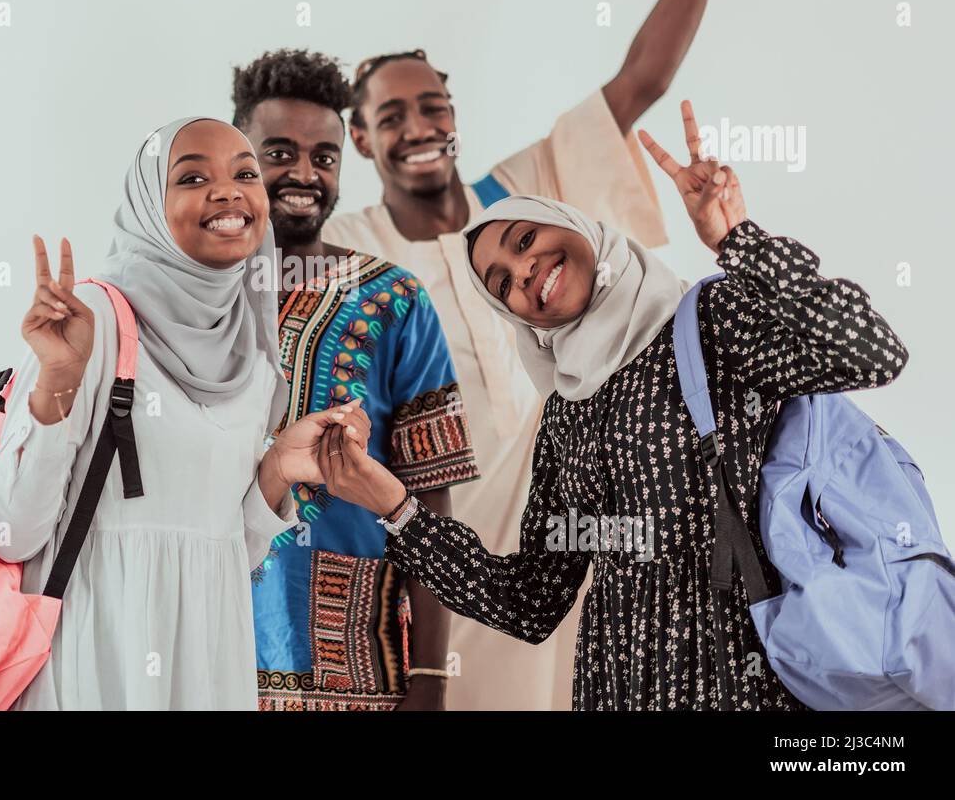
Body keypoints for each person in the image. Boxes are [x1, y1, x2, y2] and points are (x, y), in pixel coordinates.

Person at [322, 0, 751, 710]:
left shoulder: (524, 196)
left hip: (578, 521)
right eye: (391, 114)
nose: (419, 126)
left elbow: (642, 80)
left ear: (456, 112)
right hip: (450, 548)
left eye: (433, 104)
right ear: (361, 139)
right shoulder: (347, 246)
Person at [314, 100, 909, 709]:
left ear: (574, 224)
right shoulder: (567, 412)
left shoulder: (708, 326)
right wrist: (397, 507)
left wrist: (736, 239)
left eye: (526, 239)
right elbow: (530, 601)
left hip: (745, 686)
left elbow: (869, 352)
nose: (523, 271)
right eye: (501, 284)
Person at [0, 117, 371, 710]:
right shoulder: (93, 320)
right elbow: (11, 533)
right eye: (192, 177)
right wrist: (58, 380)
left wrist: (278, 471)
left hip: (205, 663)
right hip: (97, 658)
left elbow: (223, 551)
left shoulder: (253, 351)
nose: (228, 191)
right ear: (147, 207)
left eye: (245, 173)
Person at [232, 49, 480, 710]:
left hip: (356, 669)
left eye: (325, 156)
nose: (304, 174)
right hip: (205, 652)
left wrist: (431, 681)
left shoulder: (394, 299)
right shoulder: (186, 298)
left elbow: (431, 501)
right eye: (279, 153)